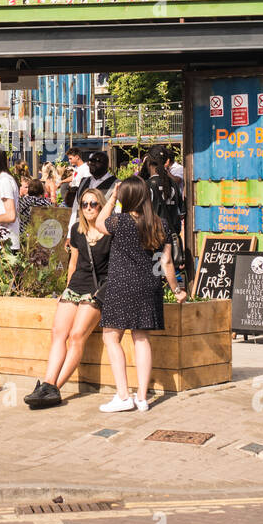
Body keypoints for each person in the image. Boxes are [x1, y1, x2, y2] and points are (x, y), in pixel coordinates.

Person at [96, 177, 186, 413]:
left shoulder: (120, 221)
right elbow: (166, 262)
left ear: (127, 198)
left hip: (121, 285)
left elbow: (98, 223)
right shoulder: (161, 224)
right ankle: (143, 398)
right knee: (142, 338)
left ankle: (124, 396)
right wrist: (177, 289)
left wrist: (112, 196)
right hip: (149, 286)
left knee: (110, 337)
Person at [24, 188, 111, 409]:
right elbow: (73, 263)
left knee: (76, 335)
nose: (89, 208)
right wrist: (66, 289)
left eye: (93, 204)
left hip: (97, 289)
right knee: (58, 333)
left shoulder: (111, 233)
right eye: (85, 204)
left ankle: (53, 389)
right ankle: (48, 384)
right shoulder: (77, 230)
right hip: (76, 286)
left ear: (101, 206)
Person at [140, 151, 186, 279]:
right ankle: (175, 292)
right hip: (172, 235)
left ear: (148, 164)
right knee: (173, 273)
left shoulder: (147, 185)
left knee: (157, 275)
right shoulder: (173, 185)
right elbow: (181, 213)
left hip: (154, 237)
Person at [18, 178, 53, 244]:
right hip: (41, 235)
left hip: (24, 234)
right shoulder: (46, 203)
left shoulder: (23, 201)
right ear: (41, 190)